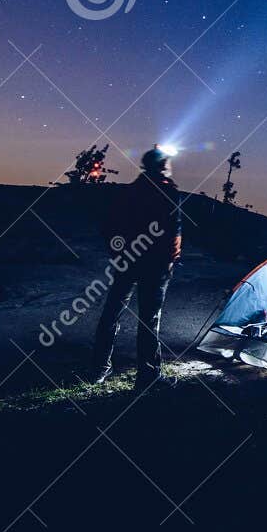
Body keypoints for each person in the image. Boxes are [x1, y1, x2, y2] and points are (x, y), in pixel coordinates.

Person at [90, 147, 183, 389]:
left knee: (112, 312)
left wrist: (118, 252)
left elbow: (108, 226)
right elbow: (175, 232)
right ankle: (148, 376)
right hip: (155, 266)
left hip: (127, 261)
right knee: (149, 320)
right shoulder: (169, 193)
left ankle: (98, 368)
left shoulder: (129, 192)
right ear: (162, 166)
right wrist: (170, 260)